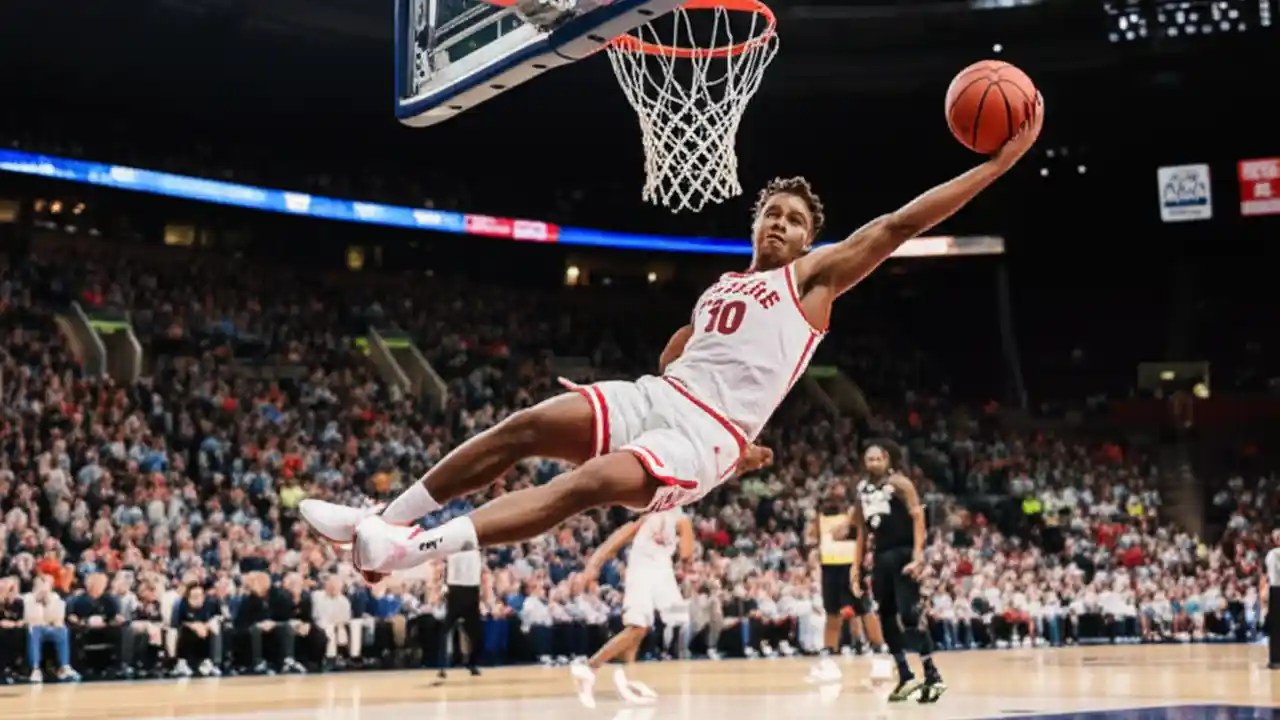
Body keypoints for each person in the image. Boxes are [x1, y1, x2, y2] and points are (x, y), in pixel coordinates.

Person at [299, 97, 1045, 579]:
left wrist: (997, 163)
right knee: (524, 426)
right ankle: (378, 523)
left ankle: (406, 552)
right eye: (772, 214)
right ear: (756, 224)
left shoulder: (812, 282)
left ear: (813, 240)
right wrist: (738, 424)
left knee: (583, 487)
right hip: (662, 396)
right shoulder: (720, 287)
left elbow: (895, 226)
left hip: (703, 437)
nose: (780, 223)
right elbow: (683, 361)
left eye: (795, 219)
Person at [571, 509, 694, 707]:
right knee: (641, 627)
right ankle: (591, 666)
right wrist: (684, 558)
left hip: (644, 572)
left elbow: (618, 538)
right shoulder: (682, 521)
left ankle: (626, 676)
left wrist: (596, 563)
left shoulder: (649, 518)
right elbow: (687, 555)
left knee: (641, 628)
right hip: (650, 574)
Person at [851, 441, 943, 703]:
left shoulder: (901, 484)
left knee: (910, 614)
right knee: (886, 616)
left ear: (887, 459)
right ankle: (905, 675)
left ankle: (932, 674)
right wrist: (855, 568)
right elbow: (861, 532)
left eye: (878, 459)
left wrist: (918, 556)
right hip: (880, 558)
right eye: (869, 459)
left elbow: (918, 517)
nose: (873, 464)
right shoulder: (862, 492)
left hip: (903, 554)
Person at [805, 481, 883, 684]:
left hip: (852, 566)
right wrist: (812, 544)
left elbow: (856, 533)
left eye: (837, 489)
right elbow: (812, 538)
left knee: (865, 611)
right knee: (832, 614)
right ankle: (828, 661)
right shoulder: (820, 516)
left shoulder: (854, 511)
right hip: (829, 567)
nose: (833, 492)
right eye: (831, 489)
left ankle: (881, 656)